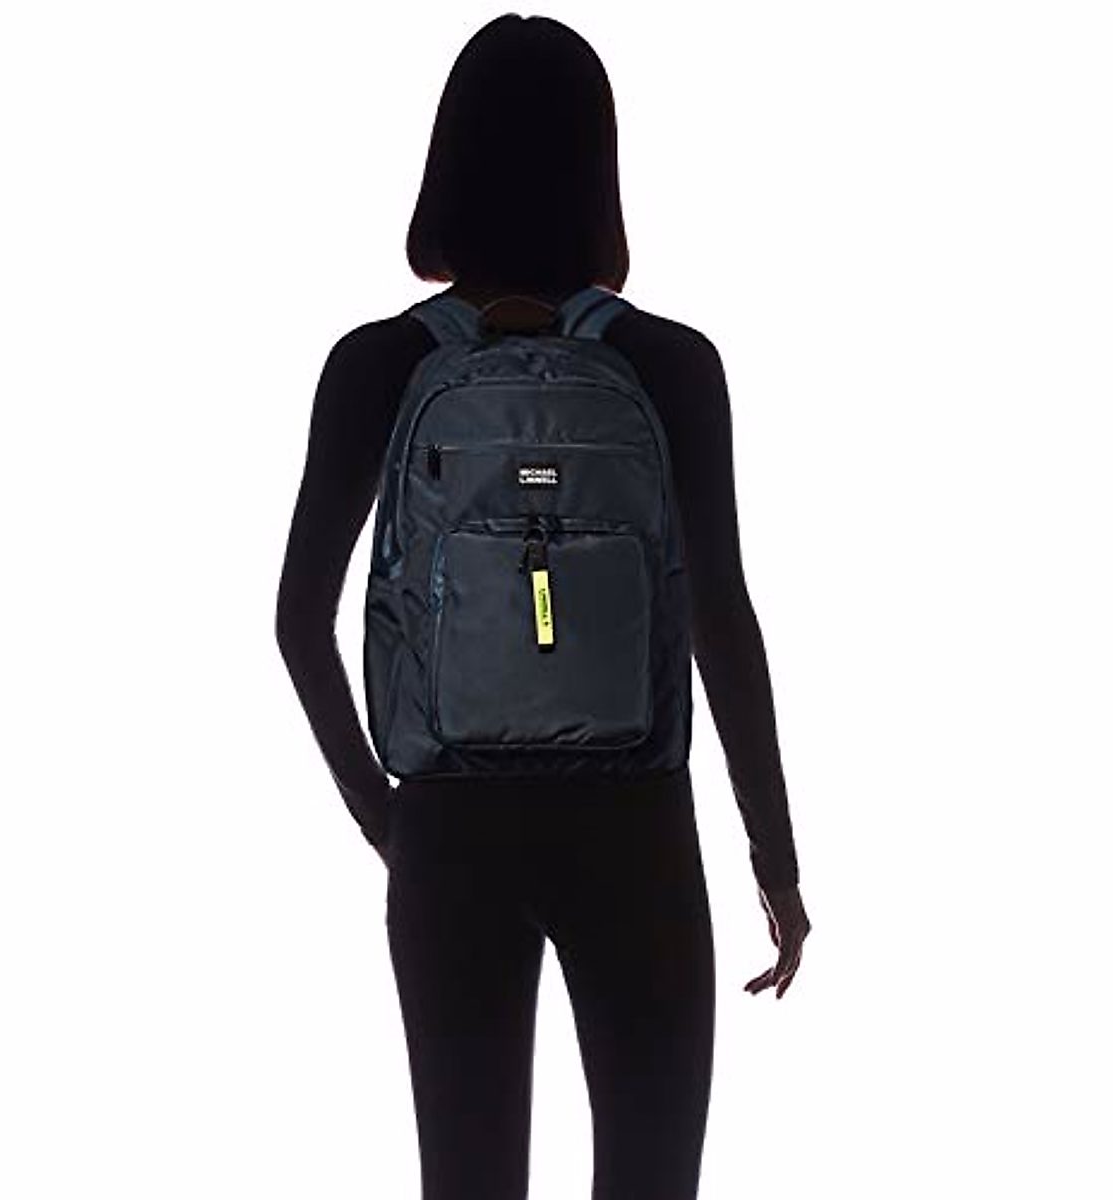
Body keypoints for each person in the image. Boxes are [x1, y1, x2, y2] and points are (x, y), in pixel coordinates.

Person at [275, 14, 811, 1200]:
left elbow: (298, 621)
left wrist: (390, 820)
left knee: (467, 1184)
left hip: (451, 831)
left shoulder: (376, 363)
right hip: (636, 828)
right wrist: (774, 858)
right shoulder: (672, 362)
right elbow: (721, 619)